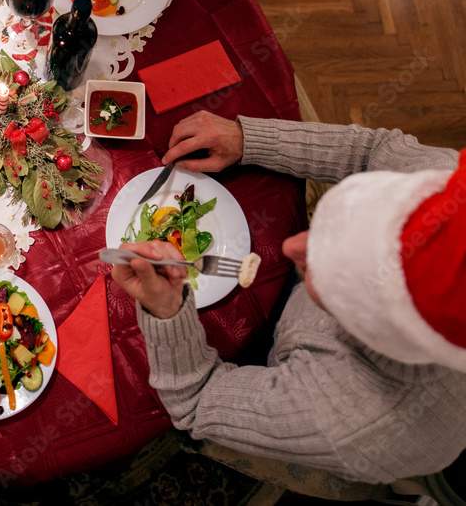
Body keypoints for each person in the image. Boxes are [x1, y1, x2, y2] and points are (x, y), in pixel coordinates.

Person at [110, 109, 466, 483]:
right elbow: (371, 151)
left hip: (275, 371)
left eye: (334, 269)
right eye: (341, 225)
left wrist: (166, 311)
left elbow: (195, 402)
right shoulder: (447, 186)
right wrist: (247, 139)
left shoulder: (351, 420)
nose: (290, 246)